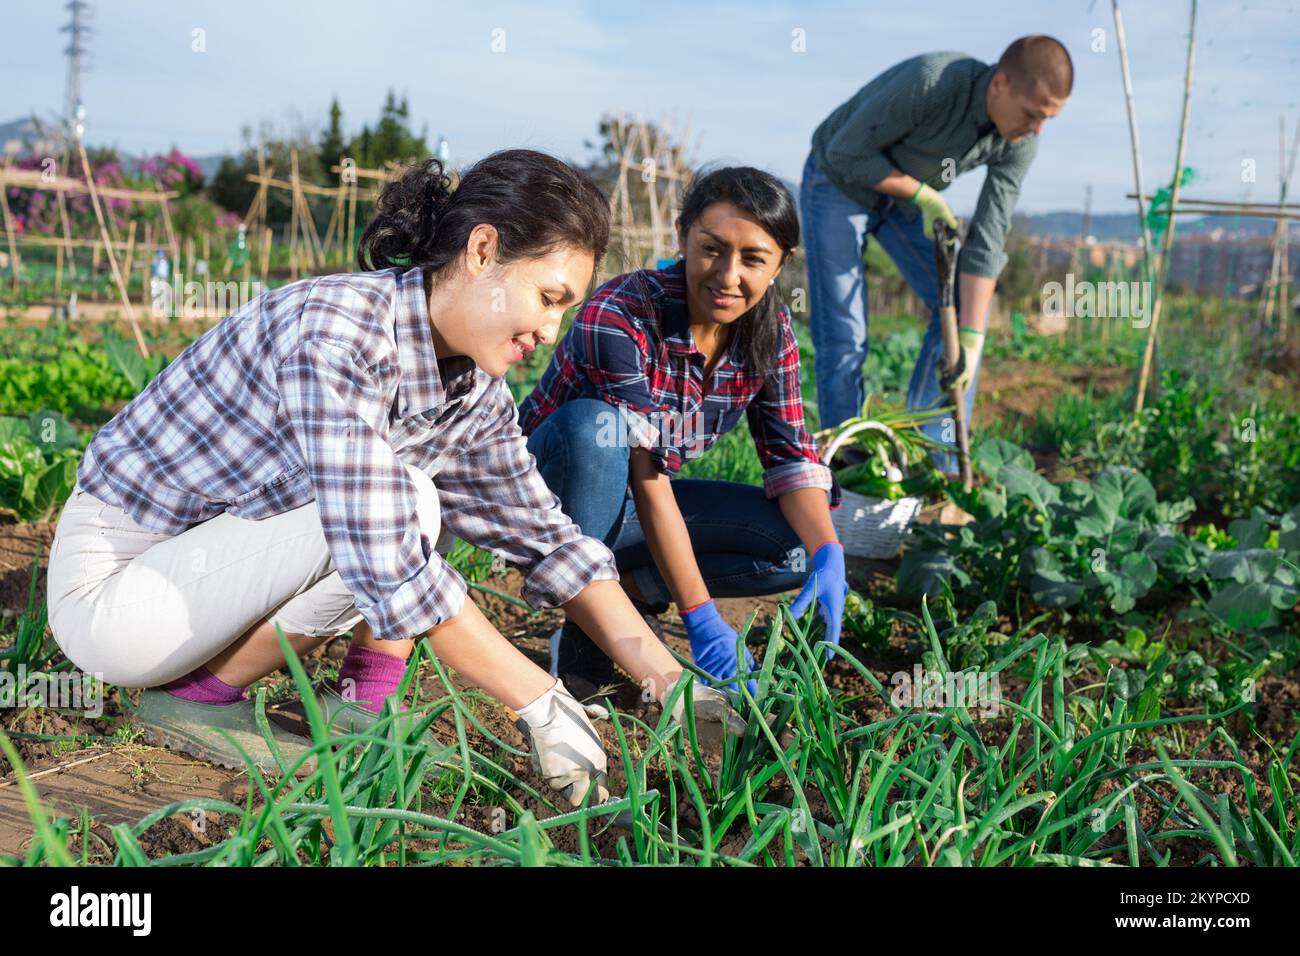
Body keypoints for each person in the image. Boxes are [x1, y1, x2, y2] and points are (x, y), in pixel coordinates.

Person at [45, 150, 739, 808]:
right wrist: (540, 701)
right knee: (403, 503)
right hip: (117, 595)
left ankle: (360, 708)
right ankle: (197, 699)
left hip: (202, 575)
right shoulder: (338, 334)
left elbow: (547, 542)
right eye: (548, 297)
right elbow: (381, 549)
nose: (553, 330)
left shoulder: (471, 390)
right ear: (483, 250)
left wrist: (669, 681)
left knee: (408, 502)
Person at [518, 165, 846, 703]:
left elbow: (789, 458)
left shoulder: (771, 334)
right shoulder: (622, 312)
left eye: (754, 259)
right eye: (712, 248)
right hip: (548, 499)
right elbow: (646, 472)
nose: (728, 275)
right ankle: (585, 633)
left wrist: (829, 551)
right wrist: (703, 622)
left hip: (635, 507)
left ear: (782, 263)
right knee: (594, 430)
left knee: (793, 548)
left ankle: (632, 591)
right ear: (683, 235)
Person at [801, 36, 1072, 472]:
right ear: (1000, 85)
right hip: (839, 184)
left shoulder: (1019, 140)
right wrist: (924, 195)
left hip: (903, 198)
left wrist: (971, 337)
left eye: (1048, 119)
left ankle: (929, 458)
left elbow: (988, 235)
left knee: (964, 312)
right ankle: (844, 463)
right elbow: (846, 153)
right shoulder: (932, 81)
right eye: (1033, 114)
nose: (1037, 129)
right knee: (845, 335)